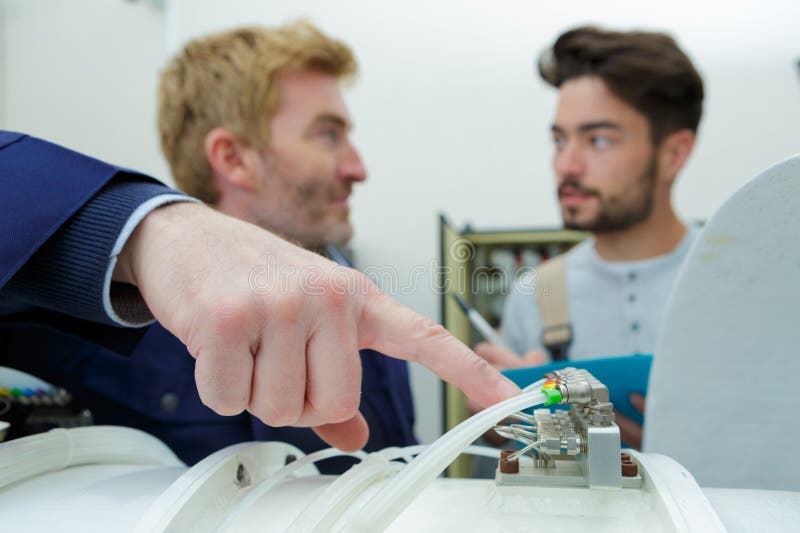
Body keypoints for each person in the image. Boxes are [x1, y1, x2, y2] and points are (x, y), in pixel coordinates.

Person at [0, 135, 520, 461]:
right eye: (328, 134)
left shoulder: (362, 309)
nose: (358, 167)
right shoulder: (89, 309)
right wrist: (143, 232)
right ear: (234, 157)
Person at [475, 26, 704, 448]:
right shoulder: (536, 293)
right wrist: (493, 414)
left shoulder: (737, 285)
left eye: (598, 139)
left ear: (673, 154)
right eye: (560, 140)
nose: (567, 164)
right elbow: (505, 441)